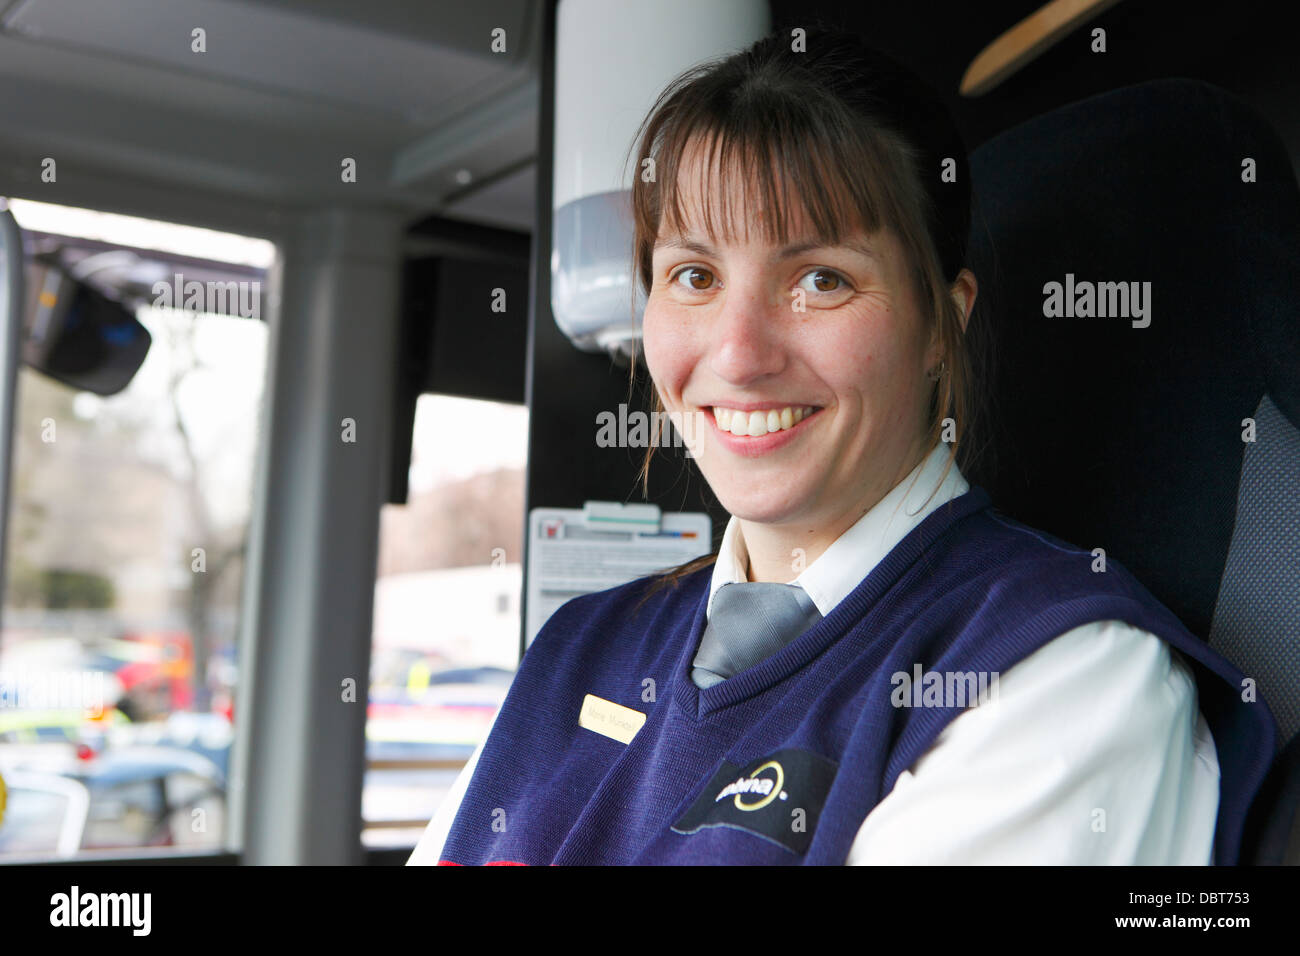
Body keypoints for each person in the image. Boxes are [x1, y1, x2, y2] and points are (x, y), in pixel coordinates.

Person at [408, 26, 1275, 866]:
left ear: (944, 322)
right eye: (695, 276)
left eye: (821, 279)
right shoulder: (580, 647)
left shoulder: (1059, 678)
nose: (740, 355)